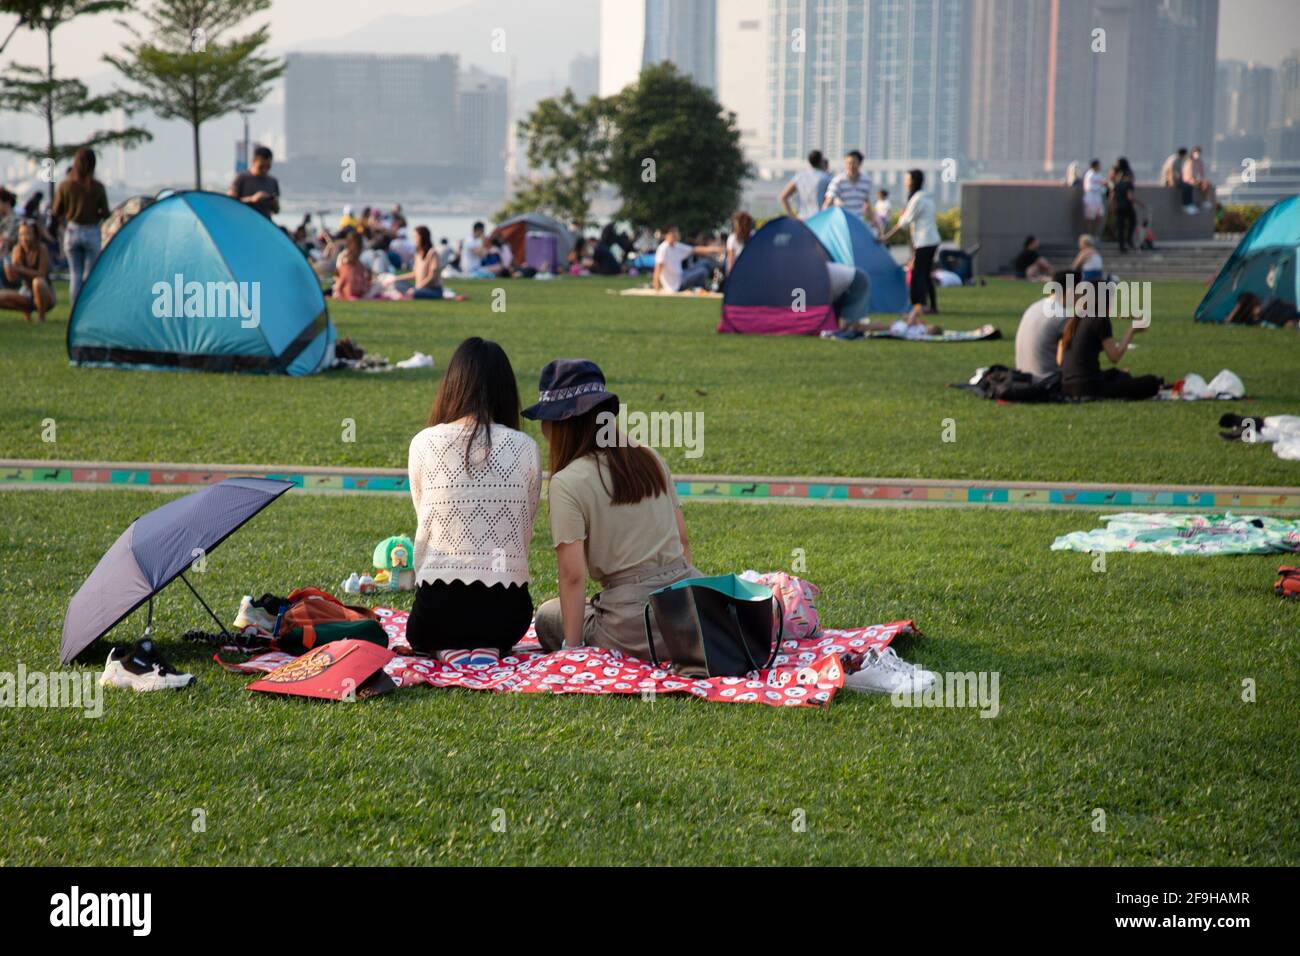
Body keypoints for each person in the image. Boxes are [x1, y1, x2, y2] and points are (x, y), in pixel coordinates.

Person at [525, 359, 701, 657]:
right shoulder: (649, 458)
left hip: (631, 623)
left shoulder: (568, 482)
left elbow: (572, 575)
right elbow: (682, 541)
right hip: (692, 610)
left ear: (560, 423)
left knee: (546, 617)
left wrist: (573, 648)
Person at [406, 338, 540, 665]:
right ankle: (486, 647)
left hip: (435, 614)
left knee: (424, 630)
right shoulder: (525, 447)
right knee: (496, 615)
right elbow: (526, 528)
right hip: (507, 616)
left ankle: (446, 649)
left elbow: (423, 515)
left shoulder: (423, 443)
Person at [1057, 280, 1160, 400]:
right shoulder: (1100, 320)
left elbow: (1060, 360)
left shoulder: (1074, 320)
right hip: (1089, 388)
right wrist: (1132, 330)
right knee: (1151, 382)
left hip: (1066, 386)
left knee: (1116, 374)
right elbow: (1114, 357)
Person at [51, 148, 109, 305]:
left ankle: (75, 309)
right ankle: (88, 307)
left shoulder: (65, 186)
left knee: (75, 274)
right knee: (90, 275)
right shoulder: (97, 187)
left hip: (72, 231)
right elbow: (105, 213)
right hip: (91, 231)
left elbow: (56, 211)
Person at [883, 169, 940, 323]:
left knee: (917, 275)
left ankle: (918, 306)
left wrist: (885, 237)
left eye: (907, 179)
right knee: (925, 274)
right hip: (930, 240)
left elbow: (904, 222)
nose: (905, 182)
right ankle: (931, 306)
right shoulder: (925, 197)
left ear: (913, 181)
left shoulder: (917, 199)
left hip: (925, 241)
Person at [1014, 271, 1070, 382]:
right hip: (1046, 381)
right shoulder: (1062, 316)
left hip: (1022, 377)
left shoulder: (1034, 307)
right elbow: (1071, 356)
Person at [0, 220, 55, 322]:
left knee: (37, 282)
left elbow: (41, 274)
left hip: (45, 293)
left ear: (35, 235)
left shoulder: (42, 249)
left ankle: (41, 317)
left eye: (28, 234)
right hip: (26, 292)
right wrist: (7, 266)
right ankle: (26, 312)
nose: (24, 238)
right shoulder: (17, 250)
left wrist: (20, 269)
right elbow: (12, 279)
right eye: (21, 234)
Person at [652, 225, 723, 292]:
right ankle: (703, 287)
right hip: (675, 284)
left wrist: (715, 249)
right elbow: (658, 267)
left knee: (704, 263)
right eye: (674, 232)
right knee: (703, 271)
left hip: (681, 275)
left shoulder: (676, 246)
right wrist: (656, 285)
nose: (677, 234)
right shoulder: (663, 249)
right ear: (668, 235)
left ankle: (711, 282)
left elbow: (695, 249)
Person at [228, 145, 280, 218]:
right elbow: (229, 203)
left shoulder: (273, 181)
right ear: (253, 161)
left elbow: (277, 211)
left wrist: (273, 203)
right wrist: (252, 199)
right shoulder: (241, 178)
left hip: (264, 224)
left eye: (268, 167)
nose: (264, 170)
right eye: (261, 167)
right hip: (244, 222)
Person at [780, 149, 832, 220]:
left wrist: (792, 216)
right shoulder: (826, 178)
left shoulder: (799, 177)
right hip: (819, 219)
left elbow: (783, 197)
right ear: (820, 161)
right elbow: (832, 199)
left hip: (802, 219)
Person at [396, 226, 443, 299]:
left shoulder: (432, 253)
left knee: (414, 292)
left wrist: (417, 288)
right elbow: (415, 274)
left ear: (423, 237)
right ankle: (410, 294)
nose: (414, 239)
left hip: (432, 290)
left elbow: (432, 276)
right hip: (418, 287)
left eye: (416, 237)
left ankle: (411, 294)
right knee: (397, 284)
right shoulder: (418, 254)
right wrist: (396, 278)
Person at [823, 149, 872, 219]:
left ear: (860, 164)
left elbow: (866, 202)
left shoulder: (866, 181)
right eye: (848, 163)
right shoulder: (838, 180)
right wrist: (824, 216)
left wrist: (875, 221)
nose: (851, 166)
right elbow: (829, 200)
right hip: (842, 220)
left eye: (853, 163)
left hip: (858, 220)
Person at [1108, 158, 1142, 254]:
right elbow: (1130, 197)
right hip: (1127, 206)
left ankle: (1121, 246)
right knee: (1132, 222)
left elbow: (1112, 196)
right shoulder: (1129, 184)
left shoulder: (1117, 184)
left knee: (1120, 227)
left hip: (1118, 207)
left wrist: (1111, 206)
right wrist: (1140, 203)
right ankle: (1129, 240)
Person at [332, 231, 373, 299]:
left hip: (346, 288)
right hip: (349, 288)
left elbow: (336, 276)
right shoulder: (349, 257)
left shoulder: (344, 256)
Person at [1161, 147, 1193, 211]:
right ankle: (1186, 204)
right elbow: (1170, 173)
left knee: (1189, 186)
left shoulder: (1178, 159)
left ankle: (1188, 204)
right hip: (1170, 181)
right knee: (1186, 187)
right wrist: (1173, 183)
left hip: (1175, 180)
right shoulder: (1174, 160)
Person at [1183, 146, 1212, 211]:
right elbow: (1189, 174)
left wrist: (1203, 179)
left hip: (1196, 180)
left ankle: (1205, 200)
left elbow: (1202, 173)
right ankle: (1190, 204)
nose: (1198, 154)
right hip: (1188, 180)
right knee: (1191, 186)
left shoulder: (1199, 162)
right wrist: (1195, 180)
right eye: (1196, 152)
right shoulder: (1189, 161)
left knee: (1206, 184)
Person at [1081, 159, 1106, 235]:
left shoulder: (1099, 174)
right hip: (1090, 200)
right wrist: (1099, 187)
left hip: (1098, 200)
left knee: (1099, 217)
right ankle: (1089, 235)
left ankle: (1095, 235)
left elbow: (1102, 186)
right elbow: (1088, 187)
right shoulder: (1089, 175)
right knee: (1089, 219)